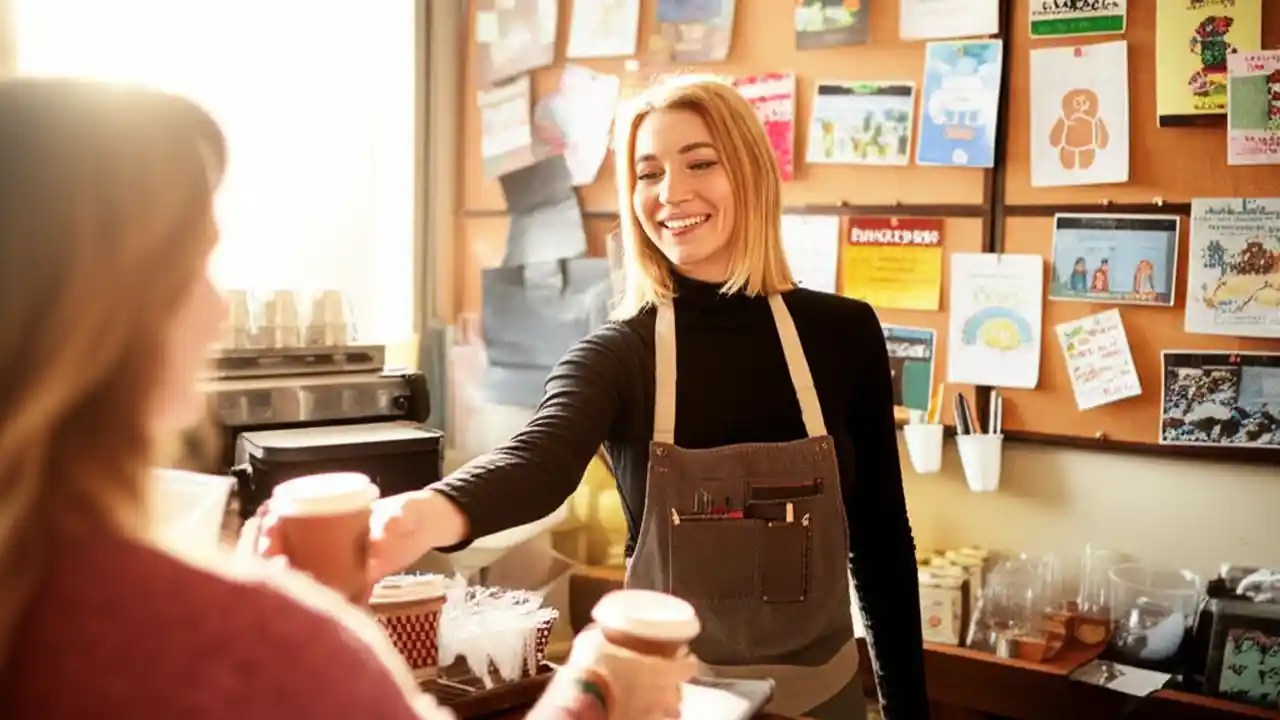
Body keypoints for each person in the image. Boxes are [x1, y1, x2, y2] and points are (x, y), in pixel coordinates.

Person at [0, 78, 680, 720]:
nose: (215, 312)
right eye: (196, 265)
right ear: (90, 316)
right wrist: (596, 691)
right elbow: (542, 458)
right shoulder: (254, 645)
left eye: (700, 162)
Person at [307, 76, 930, 719]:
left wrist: (911, 712)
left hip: (822, 707)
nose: (671, 193)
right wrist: (419, 516)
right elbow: (537, 464)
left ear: (749, 171)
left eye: (700, 162)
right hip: (667, 708)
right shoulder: (620, 356)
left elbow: (881, 542)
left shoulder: (842, 334)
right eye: (648, 172)